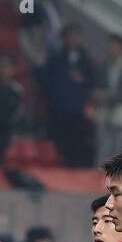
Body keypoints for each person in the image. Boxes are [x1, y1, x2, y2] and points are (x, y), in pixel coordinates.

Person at [44, 23, 95, 168]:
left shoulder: (85, 60)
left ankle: (74, 166)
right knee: (60, 138)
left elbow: (91, 81)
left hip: (77, 106)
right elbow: (49, 80)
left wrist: (82, 81)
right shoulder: (56, 58)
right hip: (59, 106)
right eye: (70, 37)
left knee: (76, 138)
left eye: (76, 37)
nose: (73, 40)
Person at [96, 33, 122, 163]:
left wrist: (108, 96)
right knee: (103, 145)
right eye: (110, 45)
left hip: (121, 111)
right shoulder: (104, 65)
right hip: (105, 110)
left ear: (121, 48)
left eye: (115, 46)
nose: (112, 48)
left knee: (118, 146)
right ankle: (99, 176)